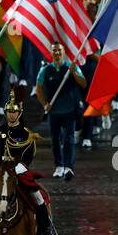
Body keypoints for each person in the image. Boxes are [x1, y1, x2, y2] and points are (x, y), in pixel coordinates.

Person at [0, 88, 56, 235]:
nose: (11, 114)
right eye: (9, 111)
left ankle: (46, 230)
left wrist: (20, 167)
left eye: (14, 111)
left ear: (19, 113)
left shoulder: (26, 134)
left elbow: (29, 156)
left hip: (19, 171)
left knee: (37, 197)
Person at [36, 40, 87, 180]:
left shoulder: (72, 67)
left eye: (59, 50)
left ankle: (69, 167)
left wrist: (74, 73)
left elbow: (83, 83)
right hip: (54, 112)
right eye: (54, 50)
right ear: (51, 52)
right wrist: (44, 104)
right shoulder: (45, 70)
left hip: (69, 111)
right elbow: (38, 89)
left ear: (63, 52)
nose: (57, 53)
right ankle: (59, 165)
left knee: (69, 139)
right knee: (55, 140)